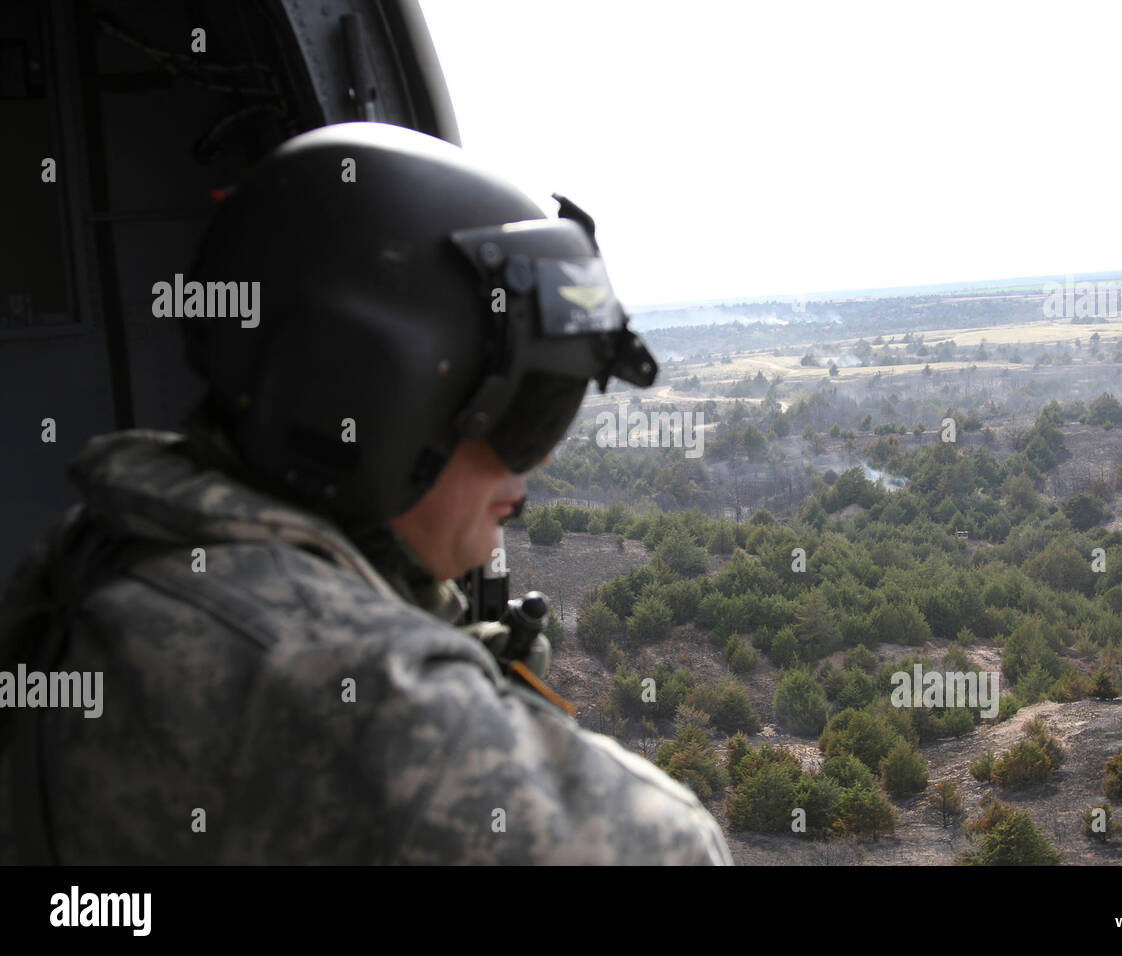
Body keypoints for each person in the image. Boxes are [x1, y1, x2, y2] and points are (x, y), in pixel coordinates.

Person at [0, 122, 732, 865]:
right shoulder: (356, 698)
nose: (532, 467)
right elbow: (672, 848)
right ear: (378, 397)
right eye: (528, 414)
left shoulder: (101, 551)